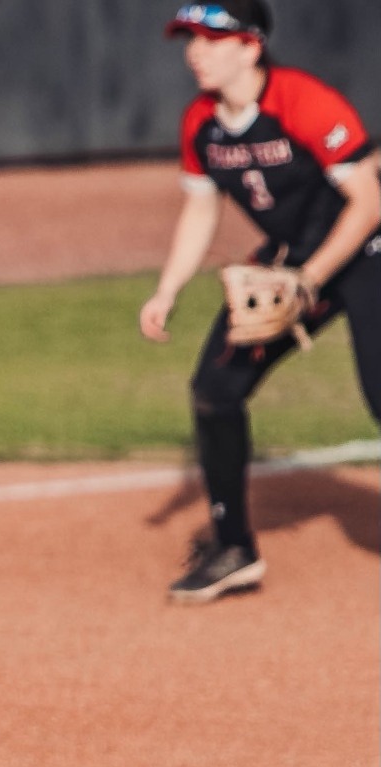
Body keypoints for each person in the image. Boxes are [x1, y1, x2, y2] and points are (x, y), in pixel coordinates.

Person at [139, 0, 381, 604]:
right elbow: (201, 206)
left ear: (250, 46)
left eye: (210, 39)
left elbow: (367, 203)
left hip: (367, 248)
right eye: (188, 39)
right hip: (292, 256)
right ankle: (233, 549)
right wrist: (168, 287)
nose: (196, 51)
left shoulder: (301, 100)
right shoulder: (201, 122)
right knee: (215, 389)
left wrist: (309, 278)